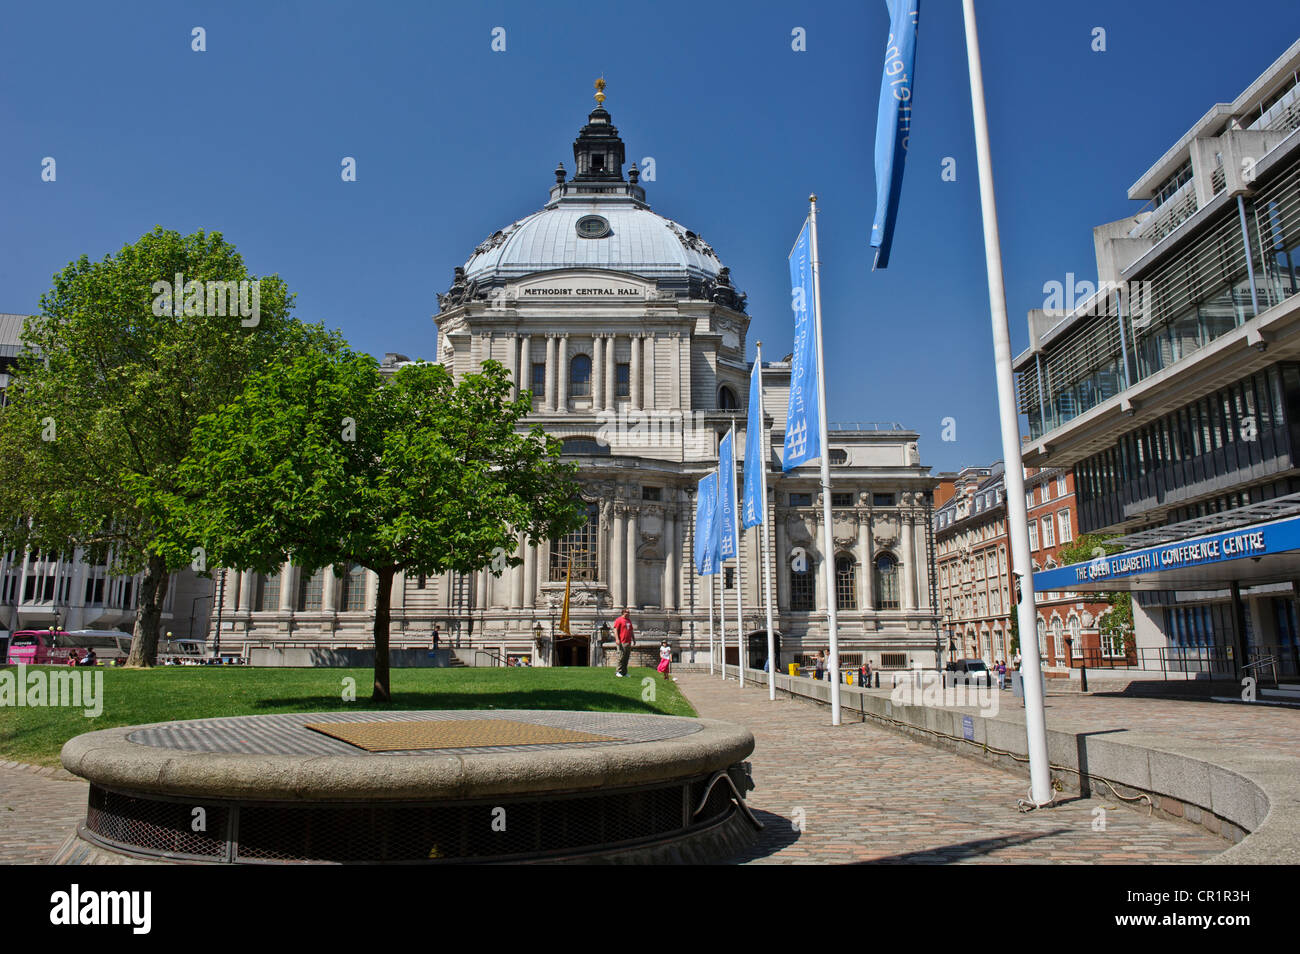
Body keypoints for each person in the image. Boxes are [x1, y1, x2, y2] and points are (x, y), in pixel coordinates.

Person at [614, 608, 634, 677]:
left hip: (628, 642)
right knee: (620, 657)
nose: (628, 614)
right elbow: (615, 630)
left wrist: (633, 639)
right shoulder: (619, 620)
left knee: (626, 657)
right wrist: (617, 639)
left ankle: (624, 672)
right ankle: (618, 671)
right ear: (623, 613)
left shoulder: (628, 620)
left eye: (629, 612)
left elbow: (631, 630)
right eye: (627, 612)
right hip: (622, 641)